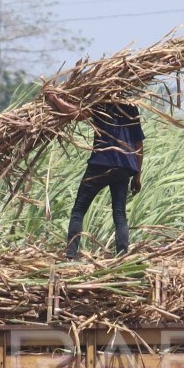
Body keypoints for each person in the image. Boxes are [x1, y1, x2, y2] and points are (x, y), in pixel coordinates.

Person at [45, 94, 145, 259]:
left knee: (78, 210)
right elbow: (139, 145)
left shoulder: (101, 102)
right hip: (124, 166)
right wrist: (137, 176)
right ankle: (121, 256)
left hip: (101, 162)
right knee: (119, 214)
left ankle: (70, 255)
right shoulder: (131, 107)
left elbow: (75, 114)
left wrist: (55, 99)